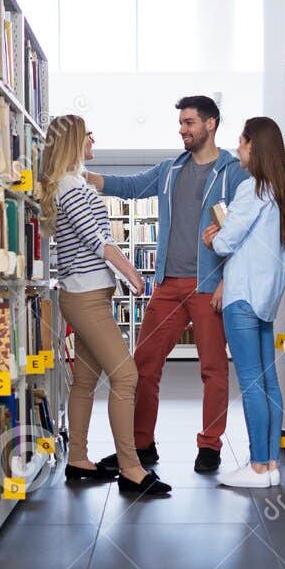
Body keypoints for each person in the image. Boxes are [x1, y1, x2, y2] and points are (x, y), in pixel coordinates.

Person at [83, 95, 248, 475]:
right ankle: (142, 446)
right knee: (143, 365)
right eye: (181, 123)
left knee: (213, 370)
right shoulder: (170, 170)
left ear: (210, 124)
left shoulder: (233, 173)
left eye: (189, 123)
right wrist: (84, 176)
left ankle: (210, 445)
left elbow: (243, 231)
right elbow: (129, 186)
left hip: (208, 284)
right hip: (168, 285)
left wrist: (227, 279)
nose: (182, 129)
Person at [39, 114, 172, 498]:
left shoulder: (73, 183)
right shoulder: (71, 187)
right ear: (73, 141)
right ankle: (131, 468)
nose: (93, 139)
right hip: (86, 298)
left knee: (84, 381)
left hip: (87, 294)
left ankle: (78, 460)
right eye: (88, 134)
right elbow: (97, 240)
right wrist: (131, 272)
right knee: (126, 376)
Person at [202, 117, 285, 489]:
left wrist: (213, 237)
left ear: (254, 145)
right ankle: (269, 464)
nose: (237, 147)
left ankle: (256, 467)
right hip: (266, 299)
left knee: (251, 382)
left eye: (241, 140)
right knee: (269, 381)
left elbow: (226, 243)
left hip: (242, 296)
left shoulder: (251, 188)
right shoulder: (279, 192)